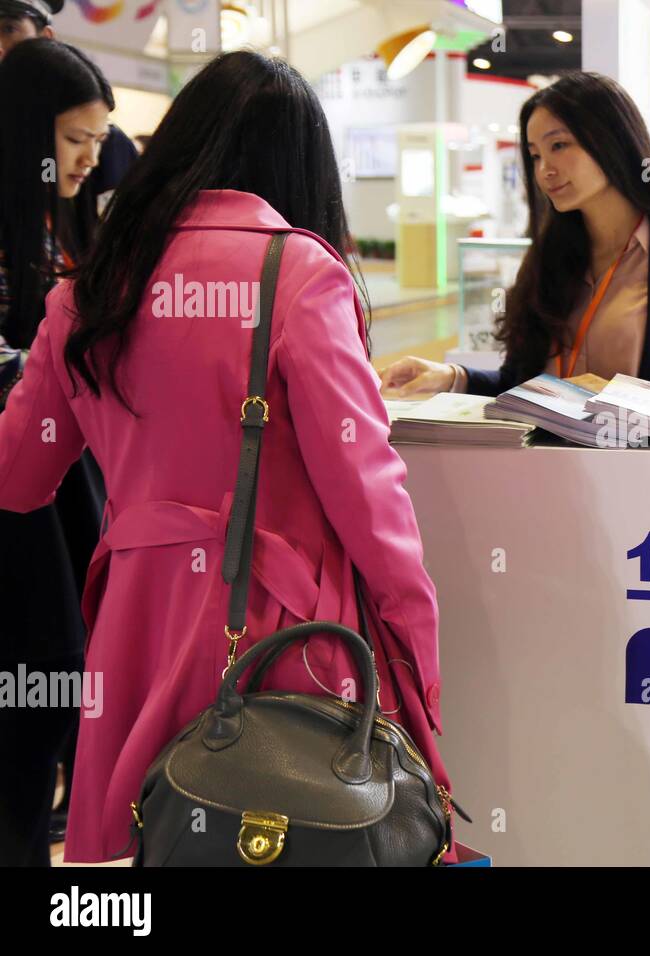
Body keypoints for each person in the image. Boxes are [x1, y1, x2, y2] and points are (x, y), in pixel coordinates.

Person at [0, 50, 455, 864]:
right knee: (282, 829)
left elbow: (17, 478)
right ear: (300, 168)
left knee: (165, 842)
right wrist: (415, 636)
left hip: (135, 625)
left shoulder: (89, 286)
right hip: (278, 624)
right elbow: (367, 490)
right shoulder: (299, 274)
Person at [378, 71, 650, 403]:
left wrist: (616, 396)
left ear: (610, 141)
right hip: (544, 475)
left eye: (559, 146)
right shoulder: (550, 257)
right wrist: (453, 377)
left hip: (641, 476)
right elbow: (526, 387)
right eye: (535, 155)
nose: (545, 169)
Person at [0, 36, 112, 867]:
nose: (88, 159)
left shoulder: (63, 224)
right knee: (36, 678)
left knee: (64, 677)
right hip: (18, 499)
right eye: (75, 139)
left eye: (99, 141)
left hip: (70, 484)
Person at [0, 1, 139, 205]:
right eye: (75, 139)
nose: (90, 159)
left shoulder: (110, 149)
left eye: (9, 29)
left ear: (46, 38)